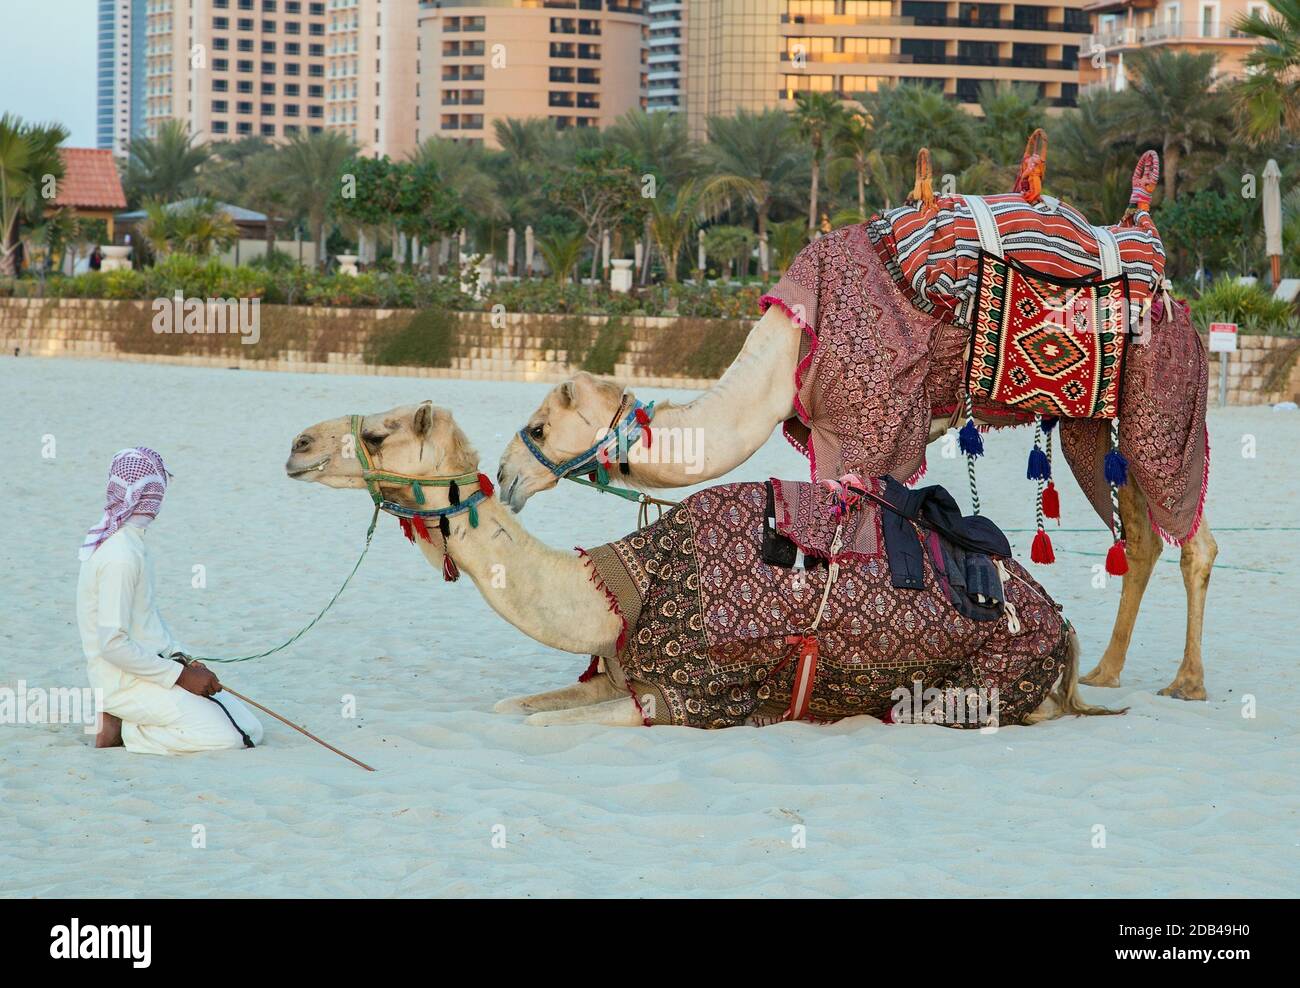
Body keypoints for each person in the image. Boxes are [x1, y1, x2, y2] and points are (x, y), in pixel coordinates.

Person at [77, 447, 263, 754]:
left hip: (152, 668)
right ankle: (130, 727)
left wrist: (184, 659)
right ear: (150, 493)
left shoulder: (132, 543)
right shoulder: (120, 556)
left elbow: (147, 625)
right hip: (126, 681)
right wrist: (180, 675)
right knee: (227, 739)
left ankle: (134, 718)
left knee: (250, 730)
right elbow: (112, 644)